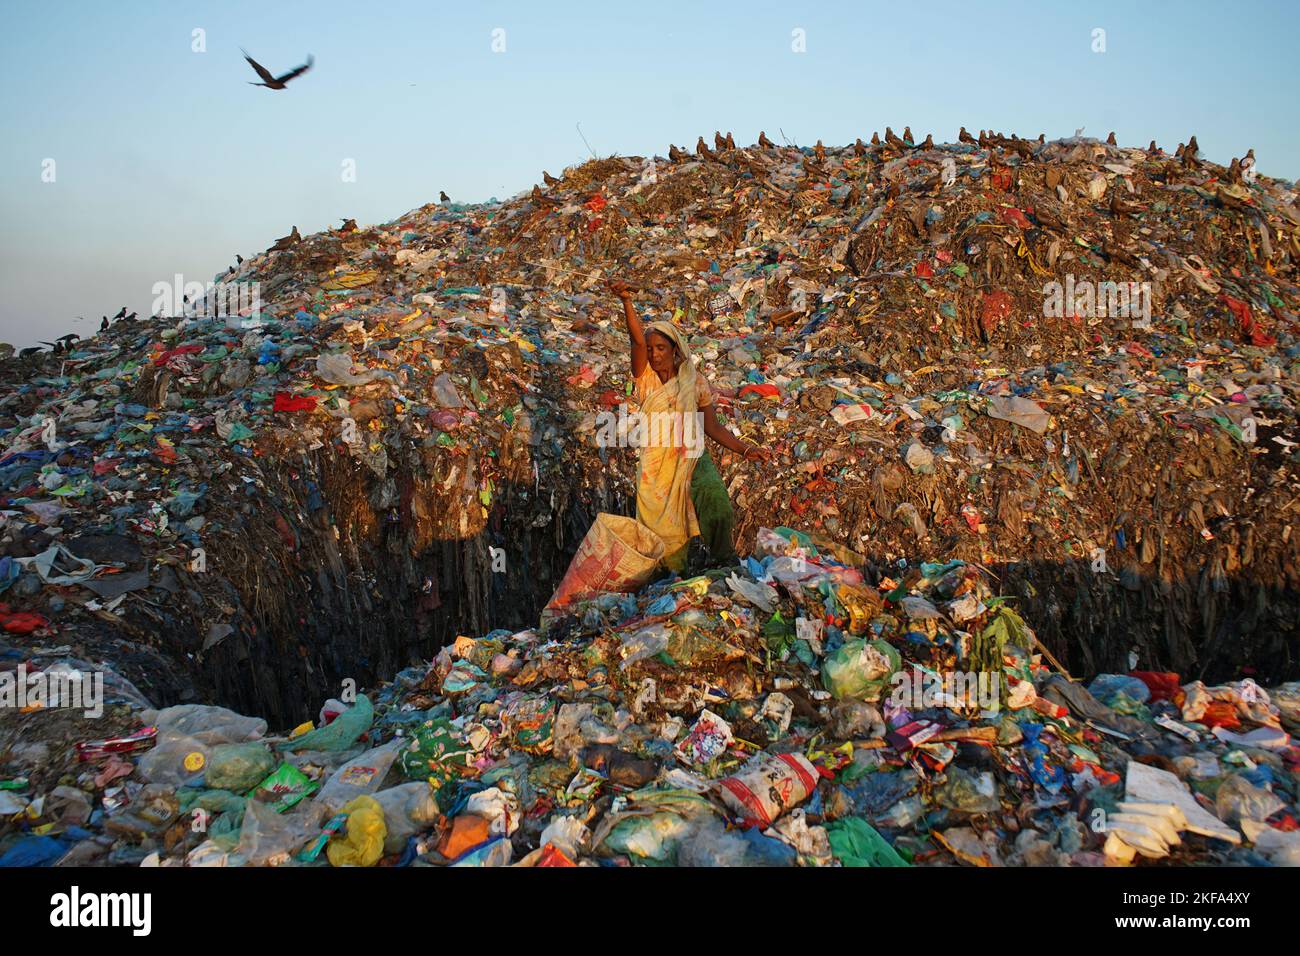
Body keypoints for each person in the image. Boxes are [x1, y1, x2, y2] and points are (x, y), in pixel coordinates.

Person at [607, 278, 772, 571]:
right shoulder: (645, 379)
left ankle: (725, 561)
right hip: (658, 466)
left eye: (660, 348)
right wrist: (626, 301)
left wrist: (745, 450)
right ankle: (673, 576)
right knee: (664, 528)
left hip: (694, 457)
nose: (654, 354)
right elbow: (634, 340)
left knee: (717, 504)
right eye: (650, 349)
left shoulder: (694, 382)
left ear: (675, 349)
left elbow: (713, 428)